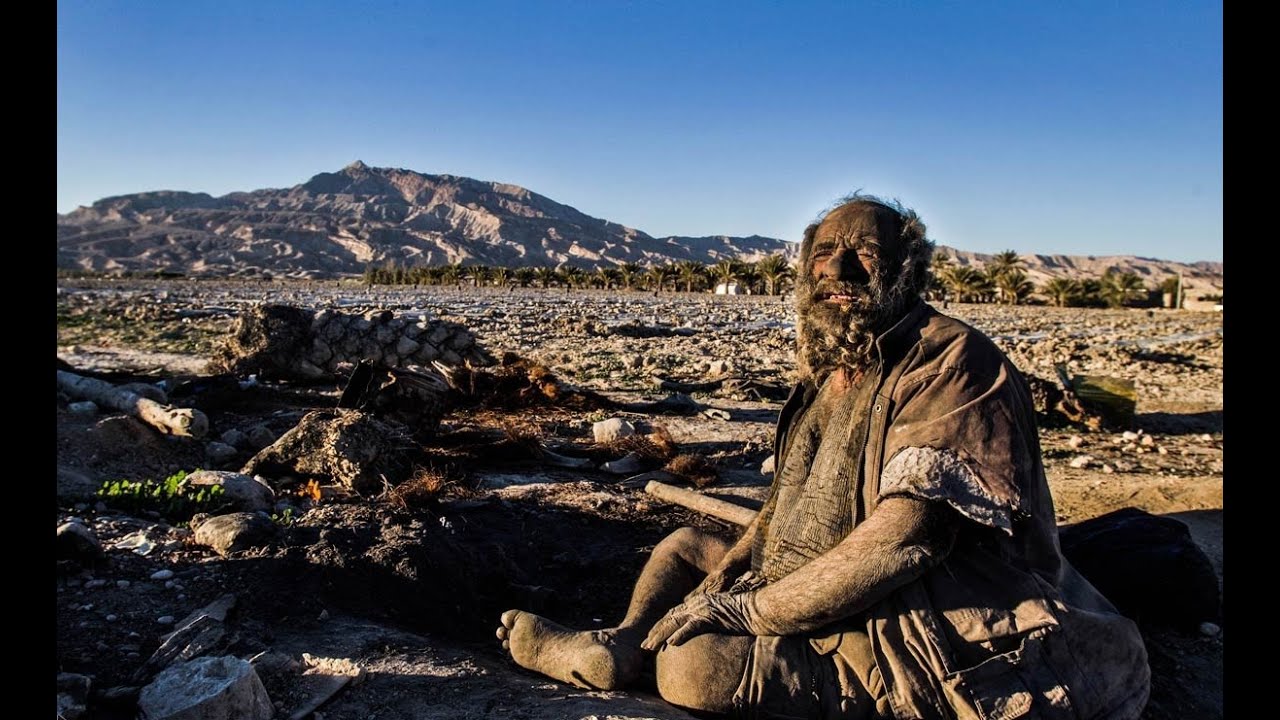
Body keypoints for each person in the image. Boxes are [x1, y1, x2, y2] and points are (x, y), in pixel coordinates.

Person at [497, 195, 1150, 719]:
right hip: (817, 580)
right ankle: (623, 641)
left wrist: (741, 609)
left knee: (693, 665)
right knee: (685, 547)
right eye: (825, 254)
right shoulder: (823, 380)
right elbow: (784, 509)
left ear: (905, 270)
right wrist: (736, 569)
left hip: (932, 613)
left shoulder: (952, 361)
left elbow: (906, 540)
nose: (839, 269)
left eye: (865, 252)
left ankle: (656, 655)